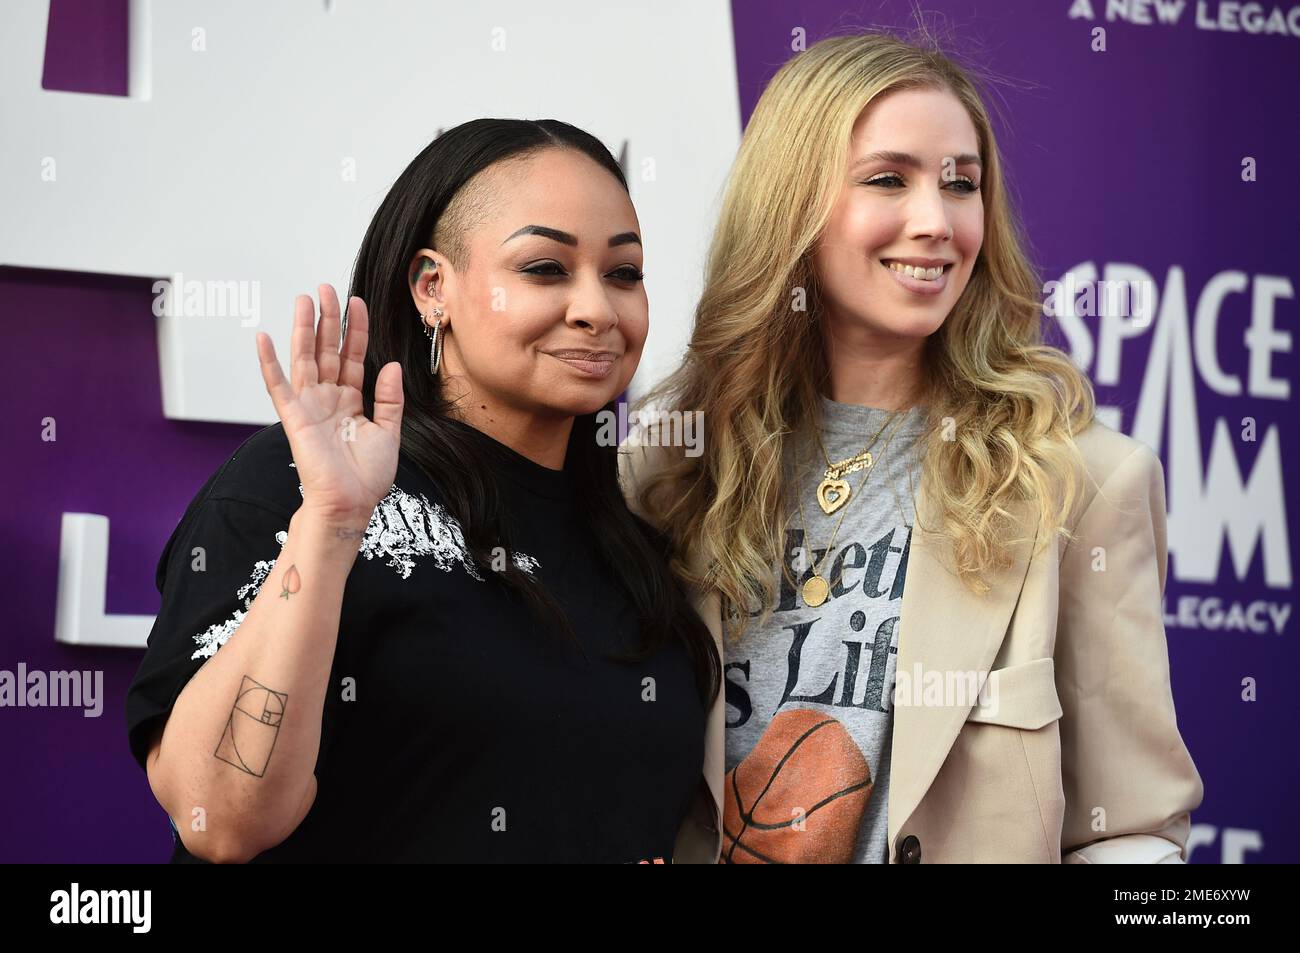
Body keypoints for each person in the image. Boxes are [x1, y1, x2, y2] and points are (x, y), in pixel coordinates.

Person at [620, 32, 1203, 864]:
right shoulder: (667, 473)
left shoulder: (1080, 482)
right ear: (792, 206)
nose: (936, 221)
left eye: (961, 184)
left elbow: (1134, 829)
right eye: (889, 179)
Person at [125, 118, 720, 863]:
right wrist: (333, 523)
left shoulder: (640, 552)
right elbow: (221, 816)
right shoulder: (300, 487)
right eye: (544, 268)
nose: (597, 308)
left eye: (624, 273)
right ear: (432, 287)